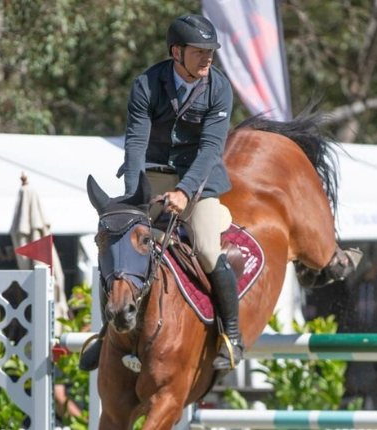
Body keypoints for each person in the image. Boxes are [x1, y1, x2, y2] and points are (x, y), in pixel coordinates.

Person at [80, 13, 241, 371]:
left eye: (211, 51)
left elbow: (211, 149)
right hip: (150, 177)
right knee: (120, 241)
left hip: (199, 180)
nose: (208, 58)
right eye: (200, 51)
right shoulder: (146, 84)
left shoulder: (219, 88)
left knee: (207, 247)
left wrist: (185, 191)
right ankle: (106, 333)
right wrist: (135, 196)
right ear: (176, 52)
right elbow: (136, 141)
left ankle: (232, 334)